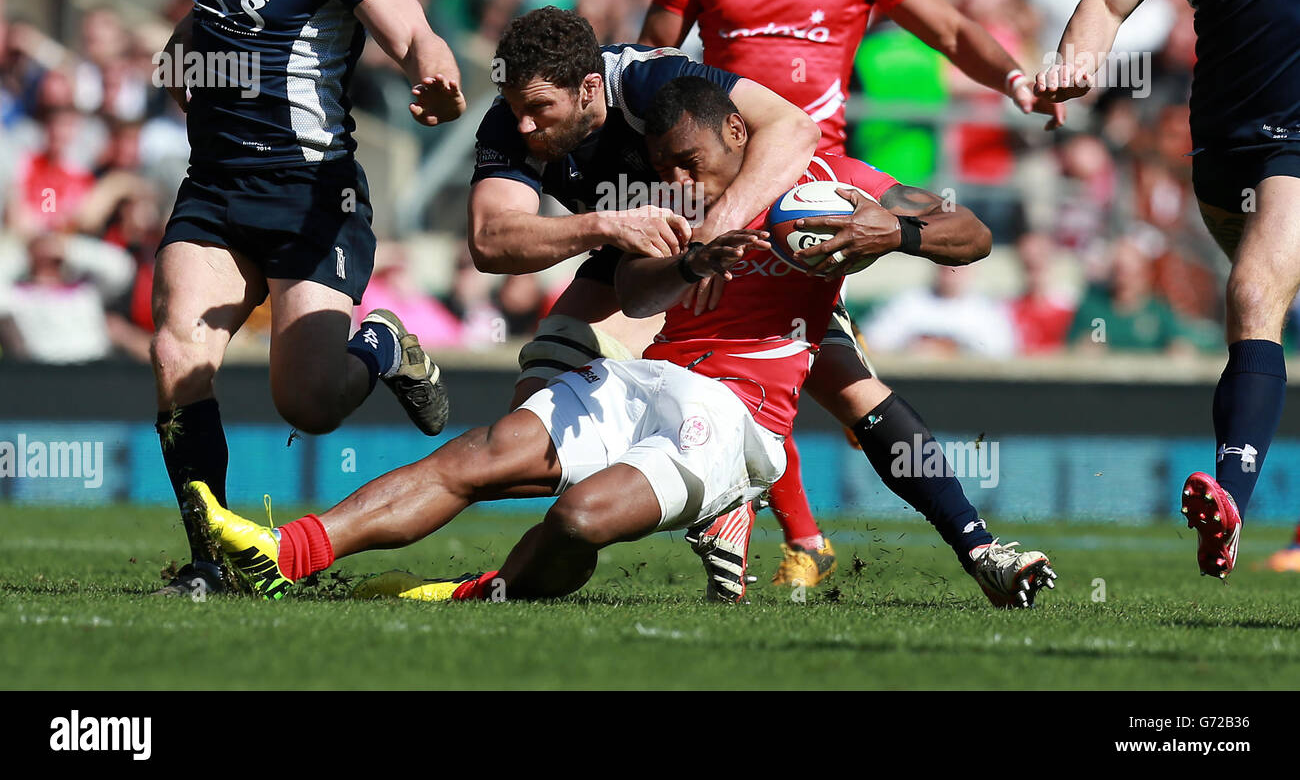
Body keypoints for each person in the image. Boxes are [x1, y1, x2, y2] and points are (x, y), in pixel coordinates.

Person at [187, 76, 1056, 608]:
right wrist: (686, 260)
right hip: (646, 375)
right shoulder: (679, 208)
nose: (678, 180)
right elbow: (634, 293)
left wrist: (890, 236)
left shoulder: (833, 186)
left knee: (579, 516)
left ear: (738, 137)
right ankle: (286, 556)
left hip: (737, 414)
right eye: (666, 165)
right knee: (483, 453)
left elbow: (969, 229)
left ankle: (494, 590)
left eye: (691, 162)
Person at [639, 0, 1063, 588]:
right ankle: (891, 540)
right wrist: (653, 189)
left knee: (760, 358)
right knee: (821, 367)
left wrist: (1013, 79)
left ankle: (765, 515)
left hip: (817, 187)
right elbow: (653, 65)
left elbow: (946, 27)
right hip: (723, 186)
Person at [150, 0, 465, 597]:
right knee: (178, 350)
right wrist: (184, 53)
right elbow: (214, 8)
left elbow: (407, 25)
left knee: (309, 405)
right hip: (215, 186)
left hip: (311, 195)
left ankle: (381, 344)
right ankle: (210, 560)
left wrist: (434, 70)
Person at [1034, 0, 1295, 578]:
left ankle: (1230, 504)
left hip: (1293, 146)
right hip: (1221, 149)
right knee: (1268, 308)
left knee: (1253, 294)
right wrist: (1072, 66)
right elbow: (1110, 1)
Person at [469, 4, 820, 593]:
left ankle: (969, 544)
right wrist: (603, 226)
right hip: (639, 257)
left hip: (742, 246)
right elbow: (490, 240)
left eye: (538, 109)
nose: (524, 125)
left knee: (855, 394)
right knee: (532, 426)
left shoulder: (647, 82)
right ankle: (721, 502)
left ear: (587, 89)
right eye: (515, 107)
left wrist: (711, 236)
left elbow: (795, 129)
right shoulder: (510, 122)